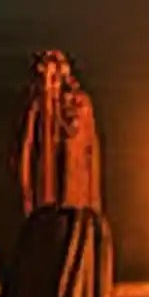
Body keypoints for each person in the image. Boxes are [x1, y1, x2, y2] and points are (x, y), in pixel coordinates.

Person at [15, 49, 102, 215]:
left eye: (55, 73)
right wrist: (26, 194)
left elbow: (91, 152)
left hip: (76, 193)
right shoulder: (37, 106)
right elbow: (26, 150)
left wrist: (94, 203)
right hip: (47, 192)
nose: (52, 78)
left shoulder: (80, 106)